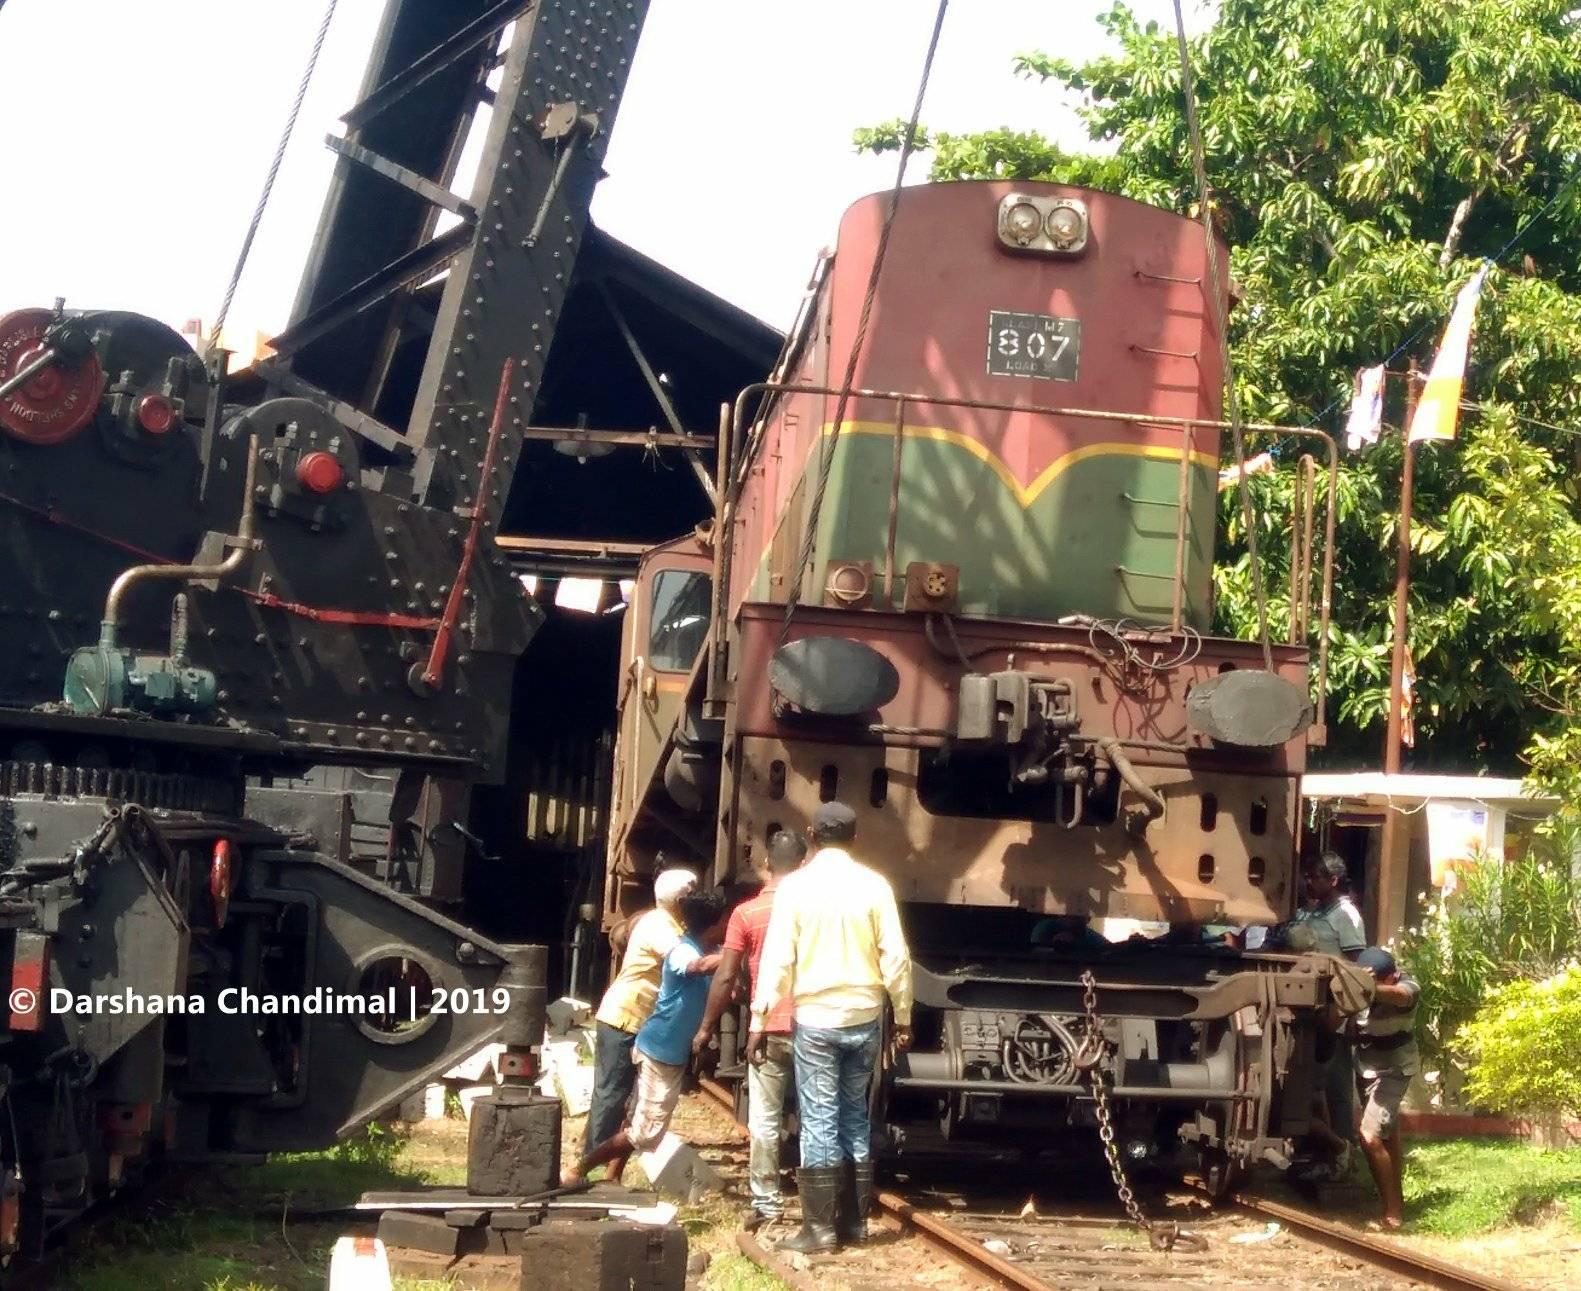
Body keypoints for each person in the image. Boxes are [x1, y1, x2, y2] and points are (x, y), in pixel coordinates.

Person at [750, 801, 913, 1254]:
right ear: (855, 837)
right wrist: (903, 1016)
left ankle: (819, 1230)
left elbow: (779, 959)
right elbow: (896, 959)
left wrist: (759, 1020)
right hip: (864, 1018)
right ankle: (854, 1224)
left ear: (811, 835)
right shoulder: (875, 886)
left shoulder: (796, 889)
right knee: (854, 1116)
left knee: (819, 1119)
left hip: (817, 1021)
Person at [565, 888, 727, 1185]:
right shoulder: (682, 948)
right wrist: (736, 952)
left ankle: (612, 1177)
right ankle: (579, 1169)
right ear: (715, 925)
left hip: (666, 1048)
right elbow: (697, 967)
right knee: (645, 1132)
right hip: (659, 1048)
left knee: (634, 1117)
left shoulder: (700, 947)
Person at [692, 829, 806, 1231]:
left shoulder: (747, 913)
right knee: (820, 1118)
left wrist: (705, 1028)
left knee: (765, 1120)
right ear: (803, 864)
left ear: (766, 866)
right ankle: (820, 1206)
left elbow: (724, 978)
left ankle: (767, 1203)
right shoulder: (818, 911)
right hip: (815, 1025)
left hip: (770, 1026)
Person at [584, 867, 698, 1156]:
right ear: (681, 901)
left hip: (631, 1017)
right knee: (611, 1094)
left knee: (618, 1095)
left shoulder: (665, 922)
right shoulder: (662, 927)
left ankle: (598, 1161)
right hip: (626, 1016)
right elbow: (684, 960)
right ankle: (590, 1159)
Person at [1349, 945, 1420, 1230]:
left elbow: (1401, 997)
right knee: (1386, 1135)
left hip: (1395, 1069)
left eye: (1379, 980)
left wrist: (1366, 987)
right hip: (1365, 1066)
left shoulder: (1407, 984)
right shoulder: (1355, 991)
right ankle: (1393, 1199)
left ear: (1392, 976)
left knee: (1369, 1135)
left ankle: (1393, 1213)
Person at [1030, 913, 1109, 952]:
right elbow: (1034, 952)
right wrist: (1055, 944)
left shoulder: (1093, 939)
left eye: (1081, 913)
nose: (1074, 917)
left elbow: (1108, 951)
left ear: (1088, 918)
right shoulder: (1045, 928)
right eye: (1070, 913)